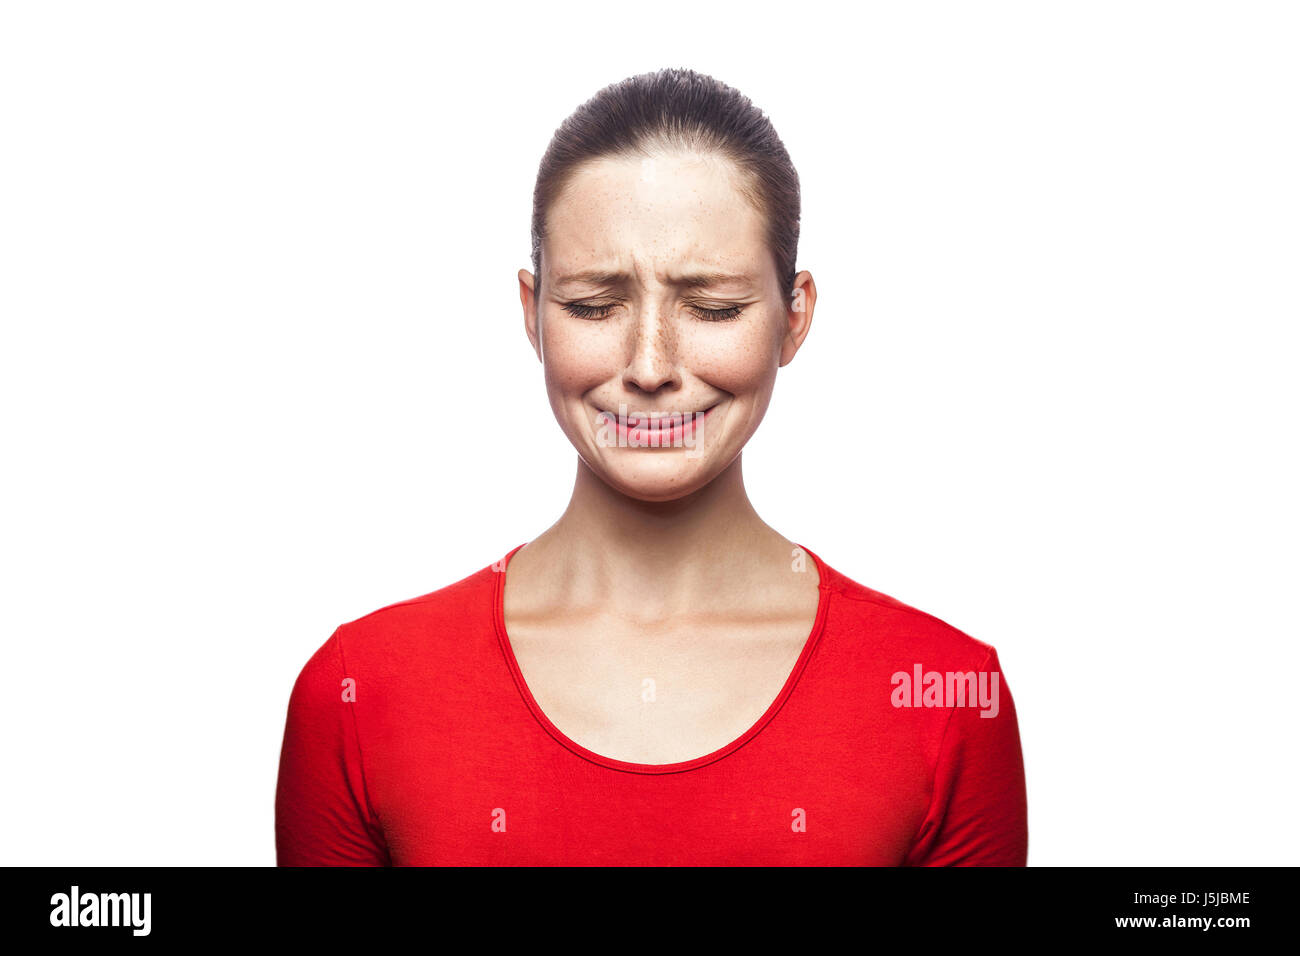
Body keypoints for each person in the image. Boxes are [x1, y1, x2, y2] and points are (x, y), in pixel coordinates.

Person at [274, 67, 1028, 865]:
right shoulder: (360, 692)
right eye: (594, 306)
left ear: (794, 318)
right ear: (531, 314)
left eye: (713, 308)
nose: (648, 366)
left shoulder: (945, 694)